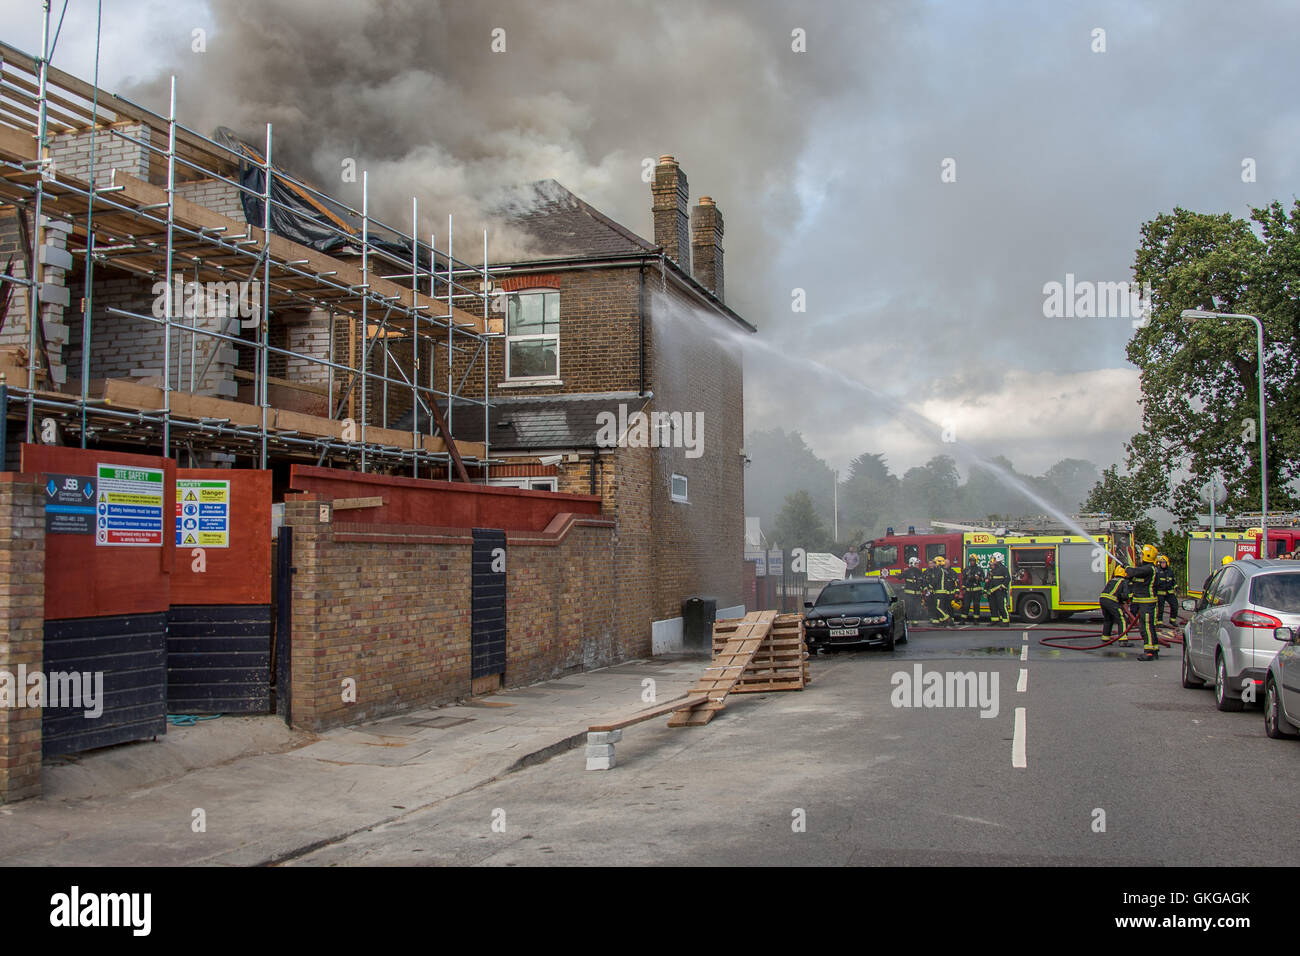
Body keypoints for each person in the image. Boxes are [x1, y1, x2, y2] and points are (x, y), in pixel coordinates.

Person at [1127, 544, 1160, 661]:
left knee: (1146, 627)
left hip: (1147, 604)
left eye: (1141, 554)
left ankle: (1149, 652)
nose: (1140, 556)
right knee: (1149, 627)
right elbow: (1134, 576)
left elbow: (1133, 572)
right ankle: (1154, 649)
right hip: (1144, 604)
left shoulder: (1148, 569)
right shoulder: (1146, 570)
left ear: (1147, 556)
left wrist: (1127, 568)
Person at [1099, 565, 1130, 643]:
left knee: (1108, 619)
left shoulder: (1112, 580)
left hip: (1102, 599)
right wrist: (1125, 600)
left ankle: (1105, 638)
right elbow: (1125, 595)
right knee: (1122, 619)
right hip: (1111, 601)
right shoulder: (1123, 581)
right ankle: (1123, 640)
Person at [927, 556, 956, 627]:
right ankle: (943, 621)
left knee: (938, 607)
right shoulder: (943, 570)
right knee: (942, 607)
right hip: (942, 592)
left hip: (939, 592)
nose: (933, 564)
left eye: (934, 562)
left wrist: (930, 586)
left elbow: (935, 581)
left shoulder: (939, 570)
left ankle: (948, 619)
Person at [959, 555, 985, 623]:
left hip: (976, 591)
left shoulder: (979, 569)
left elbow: (983, 579)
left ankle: (976, 619)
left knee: (976, 605)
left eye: (973, 560)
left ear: (976, 561)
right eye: (971, 560)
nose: (972, 562)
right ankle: (963, 619)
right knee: (966, 605)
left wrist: (978, 578)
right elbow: (963, 580)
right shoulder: (966, 569)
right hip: (968, 591)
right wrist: (963, 588)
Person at [1154, 554, 1178, 625]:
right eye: (1161, 563)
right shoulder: (1157, 571)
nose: (1162, 564)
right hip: (1160, 593)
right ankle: (1159, 622)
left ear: (1167, 563)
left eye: (1164, 562)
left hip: (1169, 593)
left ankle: (1172, 620)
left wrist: (1176, 587)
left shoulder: (1170, 571)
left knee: (1175, 605)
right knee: (1160, 609)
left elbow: (1173, 581)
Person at [902, 556, 926, 621]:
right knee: (912, 608)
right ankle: (912, 621)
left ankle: (913, 621)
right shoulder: (915, 572)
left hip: (914, 595)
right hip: (911, 595)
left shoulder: (914, 571)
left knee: (914, 608)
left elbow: (923, 582)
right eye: (916, 564)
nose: (918, 565)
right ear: (912, 563)